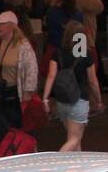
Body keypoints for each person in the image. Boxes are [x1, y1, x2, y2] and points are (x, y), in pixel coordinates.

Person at [0, 11, 39, 151]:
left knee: (17, 131)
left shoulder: (23, 45)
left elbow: (32, 70)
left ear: (12, 26)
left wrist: (27, 93)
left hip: (13, 95)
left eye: (3, 24)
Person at [43, 20, 102, 152]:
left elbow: (51, 76)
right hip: (79, 100)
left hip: (62, 101)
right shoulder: (86, 55)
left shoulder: (58, 53)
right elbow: (92, 80)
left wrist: (45, 98)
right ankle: (57, 163)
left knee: (75, 141)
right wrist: (98, 100)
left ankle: (78, 169)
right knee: (73, 140)